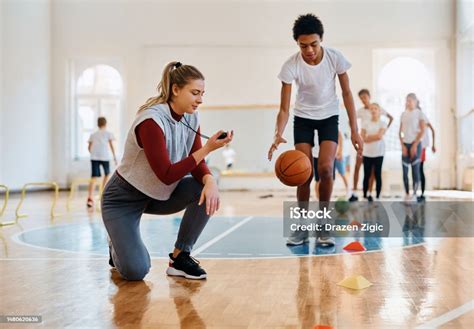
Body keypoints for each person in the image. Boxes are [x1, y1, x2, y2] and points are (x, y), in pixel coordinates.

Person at [101, 61, 233, 281]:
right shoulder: (151, 121)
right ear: (175, 90)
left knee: (204, 186)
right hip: (123, 199)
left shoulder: (192, 117)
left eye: (202, 93)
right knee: (136, 271)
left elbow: (196, 161)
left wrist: (210, 180)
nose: (200, 99)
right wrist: (208, 149)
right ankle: (115, 245)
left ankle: (180, 257)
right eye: (194, 93)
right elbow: (167, 174)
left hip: (158, 196)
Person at [267, 14, 363, 246]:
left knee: (327, 169)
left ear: (321, 40)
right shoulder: (291, 65)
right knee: (304, 172)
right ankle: (301, 227)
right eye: (303, 45)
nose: (309, 50)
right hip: (303, 118)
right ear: (297, 44)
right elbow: (283, 108)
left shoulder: (334, 58)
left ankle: (323, 225)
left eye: (313, 44)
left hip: (329, 116)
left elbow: (348, 94)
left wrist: (355, 129)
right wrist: (277, 133)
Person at [349, 89, 393, 202]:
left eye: (365, 97)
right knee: (359, 168)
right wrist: (355, 132)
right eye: (361, 98)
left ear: (369, 96)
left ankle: (371, 193)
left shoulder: (378, 110)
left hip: (377, 148)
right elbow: (353, 120)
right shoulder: (361, 111)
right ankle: (355, 191)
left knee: (375, 172)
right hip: (364, 147)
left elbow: (390, 119)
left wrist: (383, 132)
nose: (363, 100)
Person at [399, 93, 425, 202]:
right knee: (405, 172)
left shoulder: (419, 113)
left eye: (410, 100)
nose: (408, 103)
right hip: (405, 144)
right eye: (407, 100)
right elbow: (399, 132)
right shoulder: (403, 114)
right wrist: (403, 146)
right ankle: (407, 193)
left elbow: (422, 130)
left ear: (415, 101)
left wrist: (414, 145)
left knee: (415, 171)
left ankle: (414, 193)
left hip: (416, 144)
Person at [87, 117, 117, 208]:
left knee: (94, 177)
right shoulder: (108, 133)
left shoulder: (93, 134)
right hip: (105, 157)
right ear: (105, 124)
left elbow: (89, 147)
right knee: (107, 174)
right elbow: (111, 146)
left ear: (98, 124)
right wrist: (114, 157)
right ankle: (102, 193)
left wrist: (93, 154)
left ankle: (90, 198)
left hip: (94, 157)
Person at [360, 103, 387, 201]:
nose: (373, 110)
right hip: (367, 153)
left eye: (375, 108)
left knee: (377, 174)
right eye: (371, 109)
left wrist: (368, 137)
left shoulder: (383, 123)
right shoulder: (365, 123)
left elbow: (380, 136)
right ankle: (365, 195)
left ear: (379, 111)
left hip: (379, 153)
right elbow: (362, 137)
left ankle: (378, 196)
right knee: (366, 174)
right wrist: (372, 137)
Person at [419, 111, 436, 202]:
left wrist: (433, 145)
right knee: (417, 170)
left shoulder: (423, 116)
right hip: (415, 146)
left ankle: (422, 193)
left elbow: (432, 130)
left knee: (420, 169)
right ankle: (417, 193)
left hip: (421, 147)